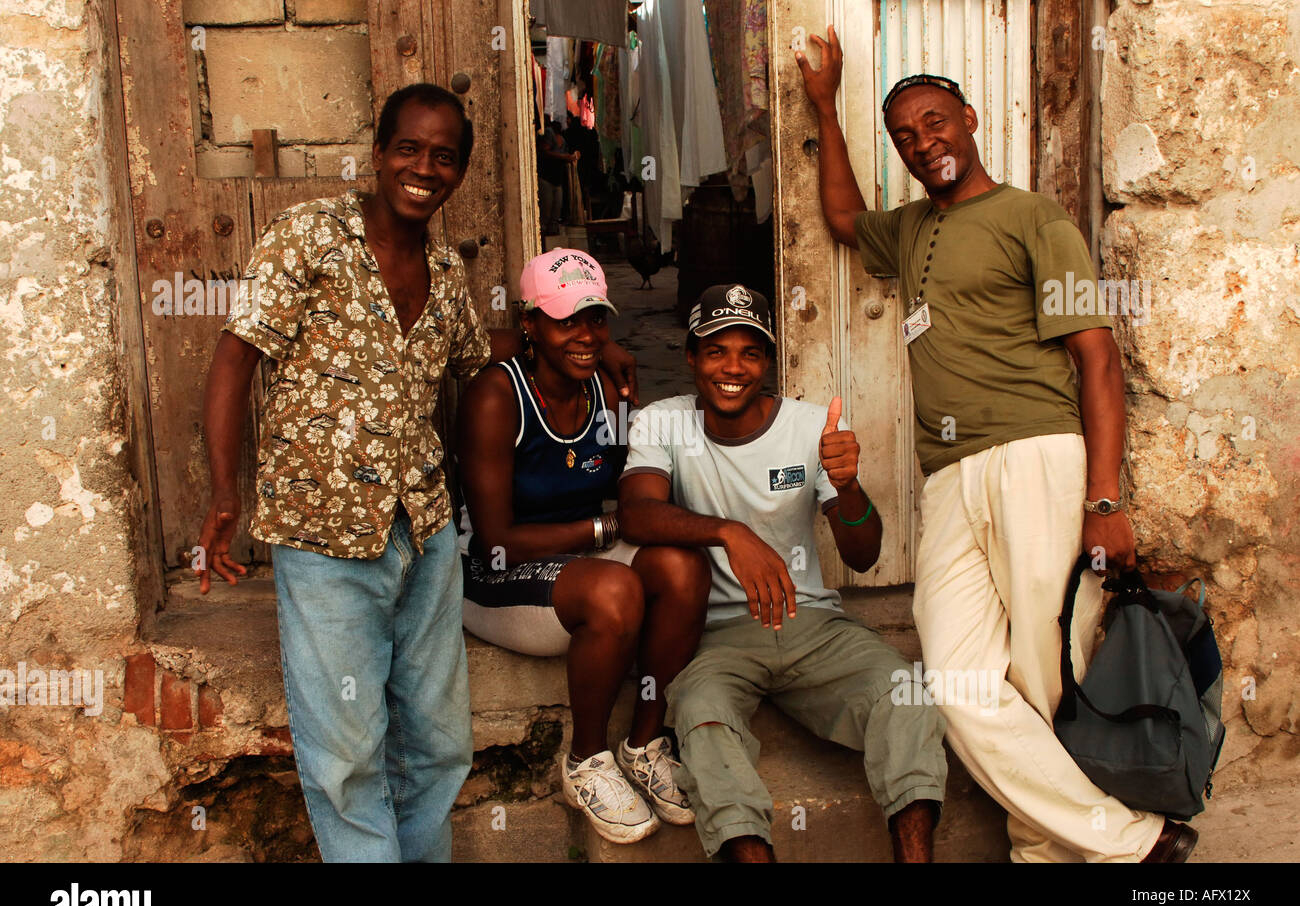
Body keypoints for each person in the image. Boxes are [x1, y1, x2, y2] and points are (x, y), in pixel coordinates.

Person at [195, 85, 636, 863]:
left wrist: (587, 340)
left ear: (459, 171)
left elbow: (480, 350)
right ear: (378, 154)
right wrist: (224, 491)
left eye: (444, 157)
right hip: (324, 536)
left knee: (437, 746)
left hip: (424, 535)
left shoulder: (441, 267)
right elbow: (236, 358)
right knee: (347, 759)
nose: (425, 169)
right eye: (409, 149)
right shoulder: (311, 235)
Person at [796, 26, 1197, 862]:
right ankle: (1132, 843)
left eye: (935, 122)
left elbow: (1097, 357)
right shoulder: (910, 229)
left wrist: (1105, 498)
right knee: (956, 677)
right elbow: (841, 217)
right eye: (905, 135)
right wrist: (826, 107)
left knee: (1045, 668)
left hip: (1035, 456)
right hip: (948, 477)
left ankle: (1045, 849)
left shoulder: (1032, 217)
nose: (922, 143)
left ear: (970, 120)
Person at [618, 284, 947, 863]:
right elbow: (637, 513)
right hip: (714, 636)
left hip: (811, 624)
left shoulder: (810, 427)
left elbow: (863, 554)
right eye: (716, 351)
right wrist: (729, 532)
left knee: (906, 696)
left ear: (768, 362)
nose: (733, 368)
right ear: (690, 357)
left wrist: (849, 487)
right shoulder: (661, 423)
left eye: (750, 353)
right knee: (703, 720)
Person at [456, 248, 708, 845]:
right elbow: (497, 540)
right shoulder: (497, 395)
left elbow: (626, 481)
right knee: (614, 587)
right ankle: (587, 762)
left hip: (580, 563)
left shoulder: (607, 391)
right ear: (530, 323)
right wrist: (605, 530)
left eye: (595, 319)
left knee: (684, 568)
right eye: (566, 320)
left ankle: (644, 742)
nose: (586, 335)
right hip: (494, 573)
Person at [537, 120, 578, 236]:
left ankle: (552, 235)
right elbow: (545, 151)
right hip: (546, 178)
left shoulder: (562, 140)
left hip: (557, 180)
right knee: (546, 211)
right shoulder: (549, 132)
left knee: (556, 211)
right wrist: (563, 157)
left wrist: (570, 157)